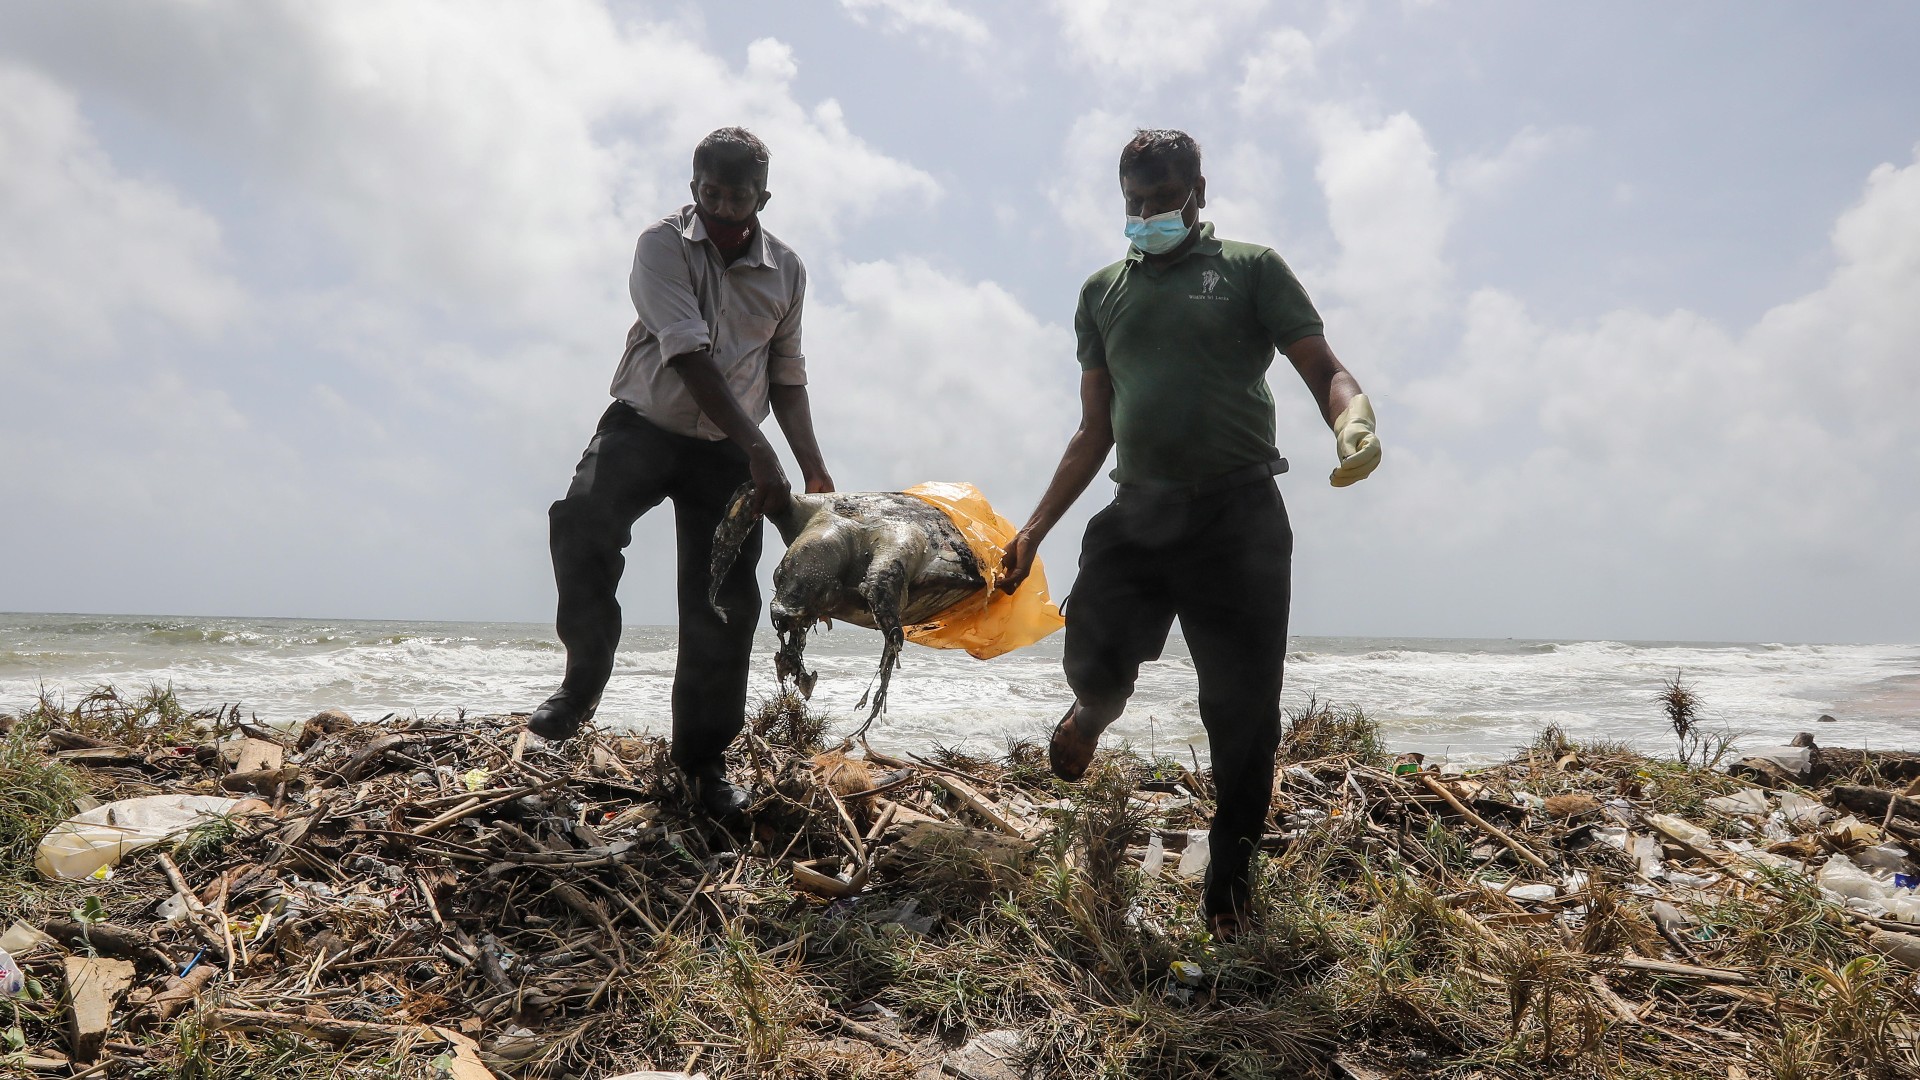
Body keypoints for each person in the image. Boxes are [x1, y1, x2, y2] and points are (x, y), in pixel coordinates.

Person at [998, 129, 1380, 938]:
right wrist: (1032, 531)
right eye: (1133, 200)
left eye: (1162, 195)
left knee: (1243, 711)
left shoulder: (1250, 269)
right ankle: (1093, 712)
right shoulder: (1102, 291)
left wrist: (1354, 421)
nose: (1146, 212)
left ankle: (1230, 889)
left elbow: (1322, 367)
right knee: (1093, 653)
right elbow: (1092, 430)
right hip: (1137, 514)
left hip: (1237, 518)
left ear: (1197, 189)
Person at [530, 127, 833, 819]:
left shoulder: (786, 269)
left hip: (726, 454)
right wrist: (762, 451)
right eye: (712, 193)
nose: (725, 206)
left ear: (764, 195)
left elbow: (786, 376)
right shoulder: (660, 246)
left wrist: (813, 469)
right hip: (645, 425)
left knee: (722, 605)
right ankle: (582, 684)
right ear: (694, 189)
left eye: (740, 195)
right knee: (581, 522)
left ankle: (701, 765)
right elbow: (688, 355)